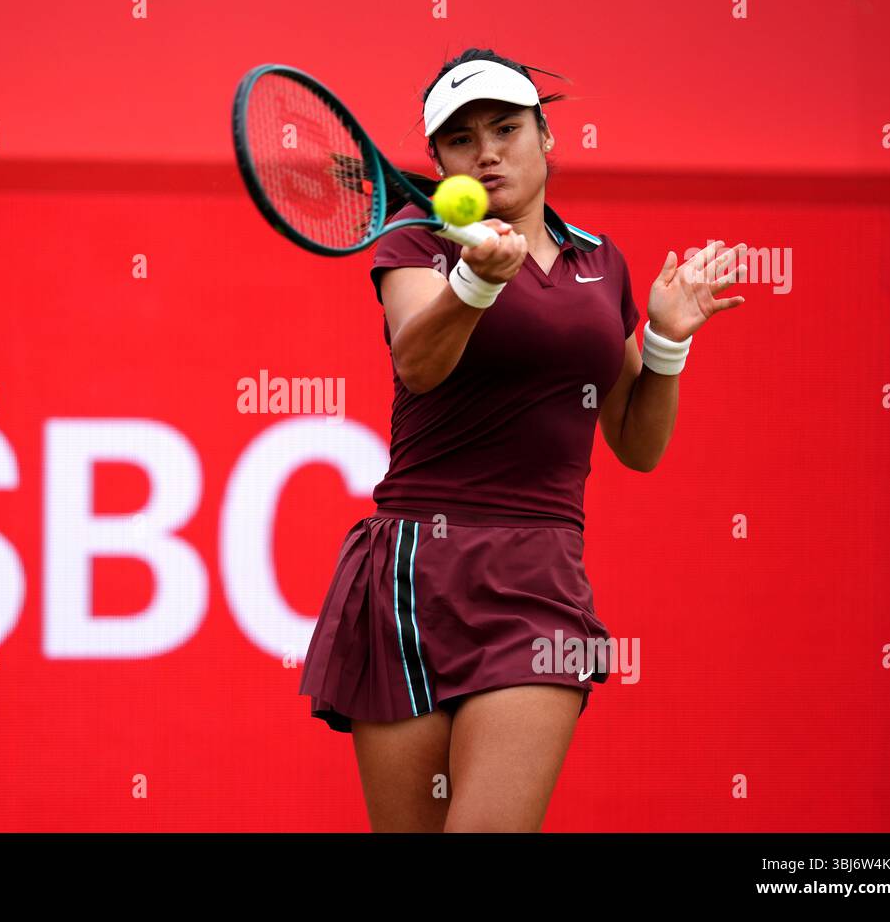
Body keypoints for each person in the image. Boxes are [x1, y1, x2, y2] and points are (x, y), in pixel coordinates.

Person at [298, 48, 747, 832]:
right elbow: (419, 362)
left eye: (506, 128)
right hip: (412, 575)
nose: (488, 151)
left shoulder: (600, 265)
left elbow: (637, 443)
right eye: (461, 140)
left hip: (539, 583)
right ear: (438, 161)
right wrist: (475, 283)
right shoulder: (417, 239)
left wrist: (668, 343)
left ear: (547, 139)